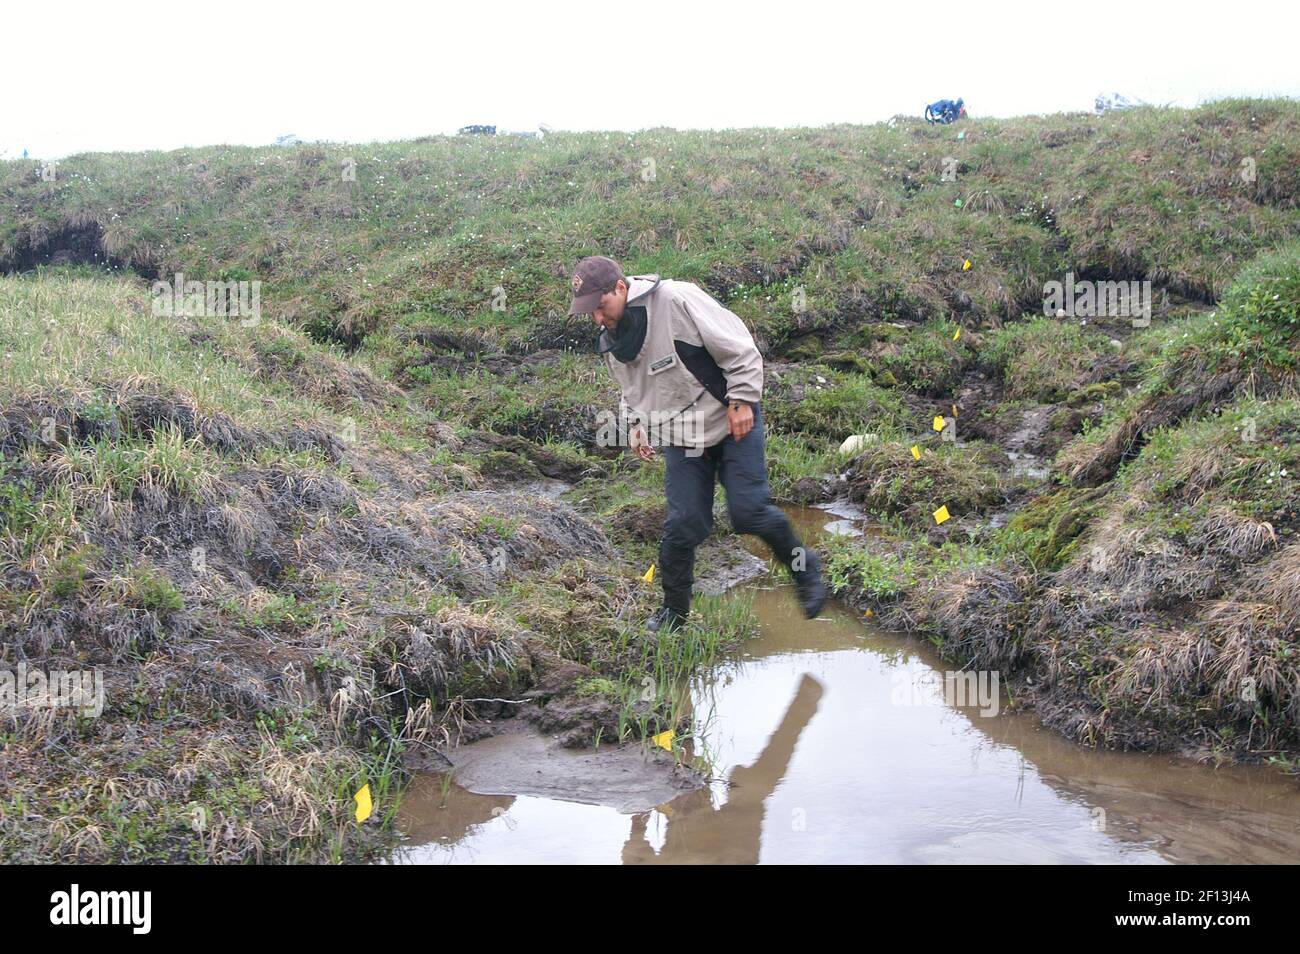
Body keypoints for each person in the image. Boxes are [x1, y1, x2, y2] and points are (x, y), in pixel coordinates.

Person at [568, 255, 827, 633]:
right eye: (589, 311)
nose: (597, 318)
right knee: (683, 524)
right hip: (682, 437)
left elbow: (740, 349)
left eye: (601, 306)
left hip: (731, 418)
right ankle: (674, 612)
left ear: (621, 288)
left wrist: (740, 400)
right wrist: (636, 423)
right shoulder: (611, 340)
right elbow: (631, 389)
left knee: (748, 511)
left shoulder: (676, 300)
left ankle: (805, 568)